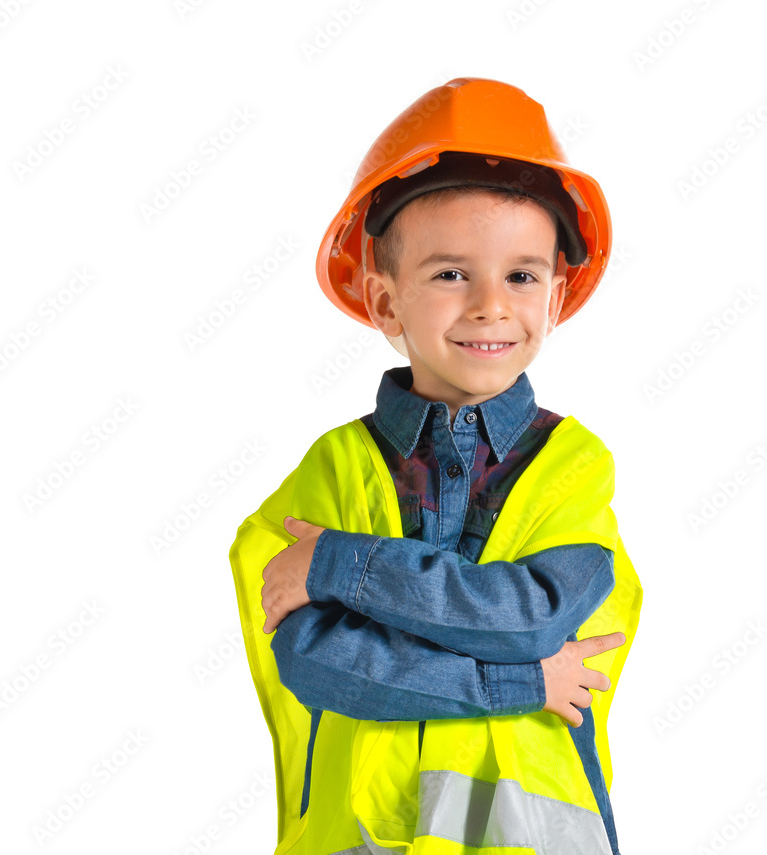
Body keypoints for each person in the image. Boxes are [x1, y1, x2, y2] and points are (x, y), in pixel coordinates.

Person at [229, 77, 643, 855]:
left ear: (556, 296)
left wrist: (341, 567)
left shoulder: (573, 466)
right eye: (451, 273)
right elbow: (318, 663)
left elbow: (531, 615)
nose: (490, 304)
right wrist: (520, 681)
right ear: (385, 302)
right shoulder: (332, 471)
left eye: (521, 275)